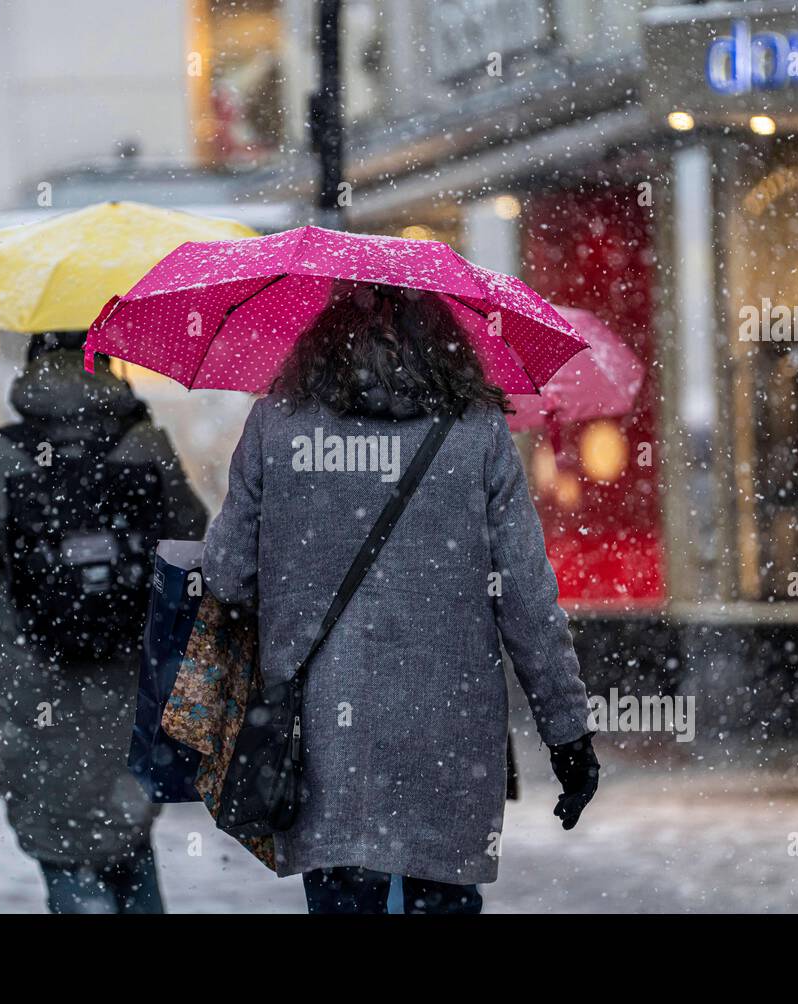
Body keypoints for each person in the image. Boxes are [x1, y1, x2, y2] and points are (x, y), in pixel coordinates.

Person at [203, 282, 600, 915]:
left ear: (322, 339)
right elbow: (526, 595)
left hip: (321, 727)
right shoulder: (475, 434)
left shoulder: (276, 424)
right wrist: (567, 732)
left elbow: (226, 575)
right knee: (440, 900)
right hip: (449, 729)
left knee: (342, 897)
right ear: (444, 342)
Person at [0, 330, 207, 914]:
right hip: (131, 680)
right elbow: (195, 544)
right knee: (127, 837)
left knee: (64, 847)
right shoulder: (143, 444)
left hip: (34, 684)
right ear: (104, 365)